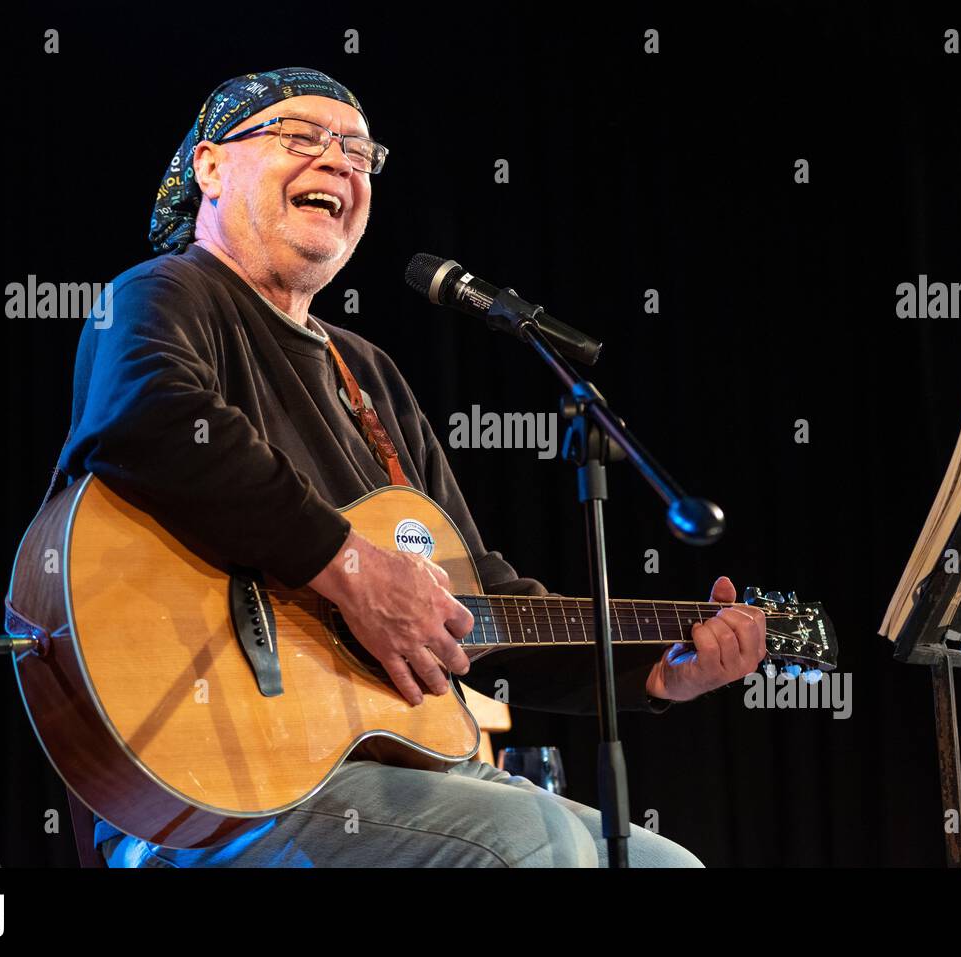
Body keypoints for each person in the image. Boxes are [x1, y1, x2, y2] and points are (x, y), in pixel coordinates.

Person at [60, 68, 766, 868]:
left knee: (670, 866)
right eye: (302, 136)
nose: (340, 163)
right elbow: (149, 422)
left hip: (398, 780)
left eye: (359, 151)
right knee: (535, 854)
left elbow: (477, 606)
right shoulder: (165, 294)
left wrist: (658, 671)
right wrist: (349, 567)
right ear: (211, 168)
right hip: (217, 790)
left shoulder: (368, 374)